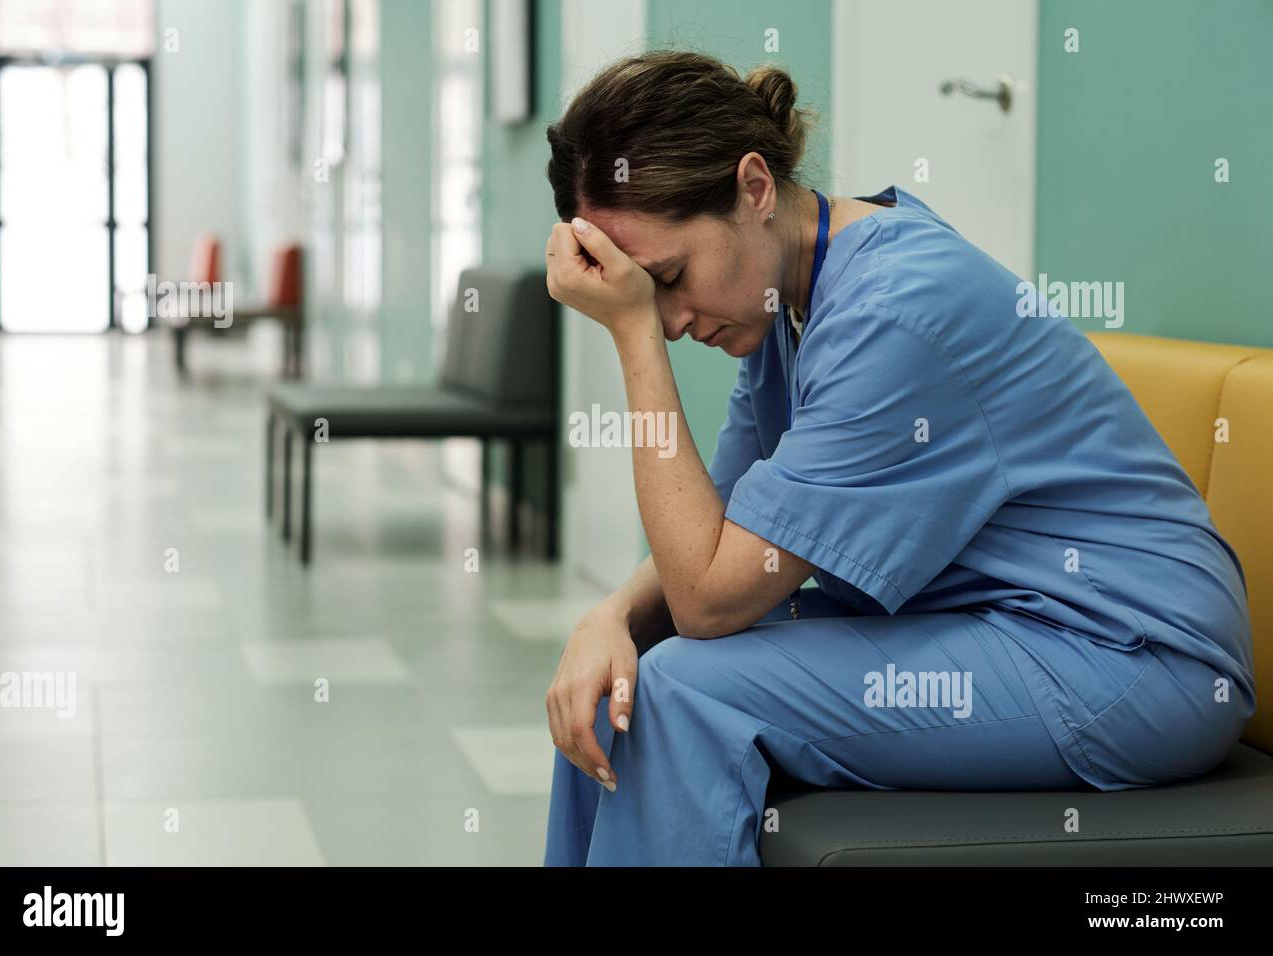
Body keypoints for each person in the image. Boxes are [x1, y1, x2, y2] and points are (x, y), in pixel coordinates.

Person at [538, 50, 1256, 866]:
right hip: (1002, 623)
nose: (669, 320)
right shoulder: (792, 302)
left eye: (669, 279)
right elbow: (719, 528)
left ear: (754, 188)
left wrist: (630, 336)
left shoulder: (894, 312)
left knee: (680, 694)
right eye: (645, 296)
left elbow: (705, 598)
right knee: (618, 683)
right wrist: (609, 621)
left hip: (1129, 656)